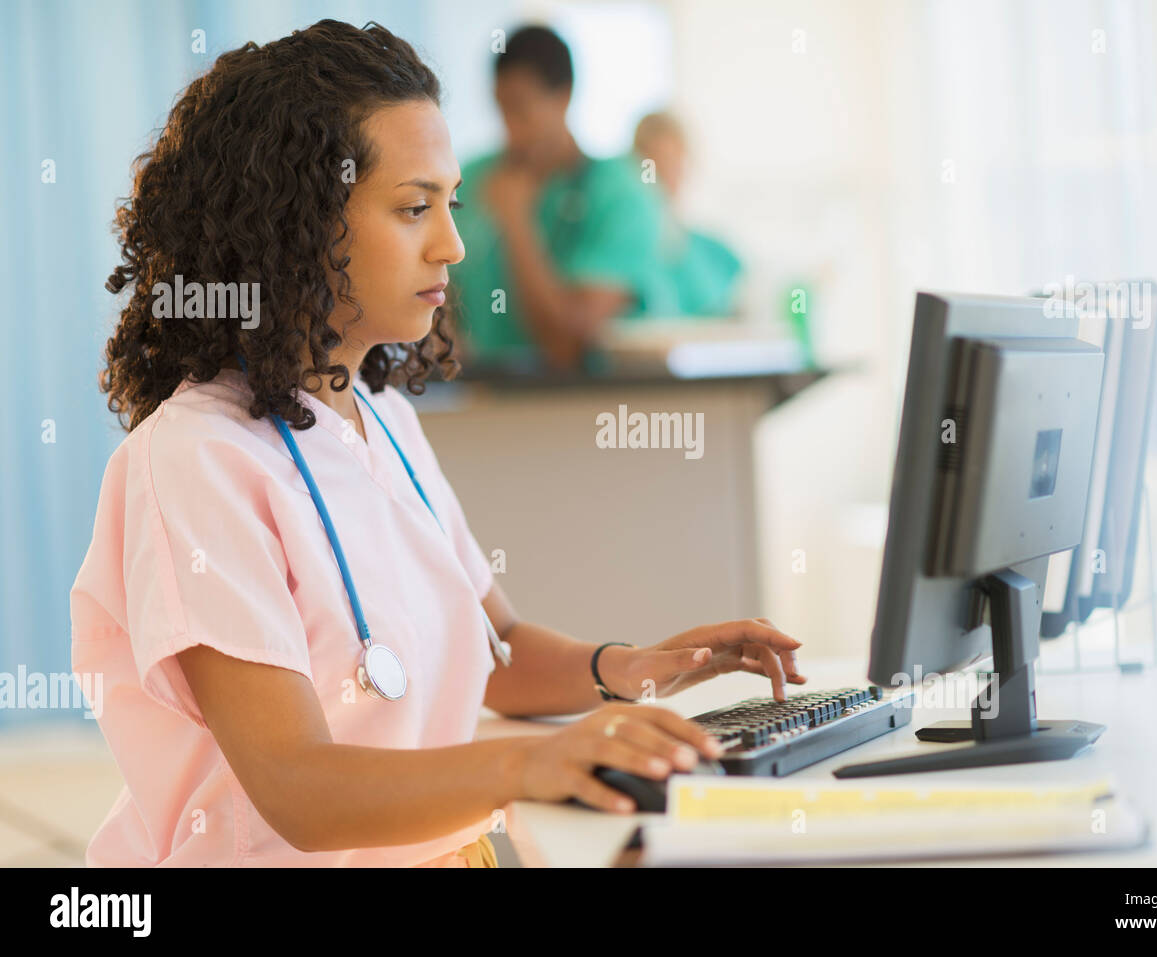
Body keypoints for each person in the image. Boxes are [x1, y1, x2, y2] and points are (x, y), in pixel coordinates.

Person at [70, 19, 804, 868]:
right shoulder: (198, 460)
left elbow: (497, 654)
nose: (452, 244)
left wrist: (645, 665)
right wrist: (532, 763)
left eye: (450, 204)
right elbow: (299, 788)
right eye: (414, 207)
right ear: (297, 222)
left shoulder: (379, 415)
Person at [451, 25, 670, 371]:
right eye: (501, 108)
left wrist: (516, 223)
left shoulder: (622, 195)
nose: (509, 128)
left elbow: (566, 345)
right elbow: (442, 295)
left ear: (564, 96)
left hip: (579, 406)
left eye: (521, 109)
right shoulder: (472, 178)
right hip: (480, 398)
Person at [634, 110, 745, 317]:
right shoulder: (624, 248)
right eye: (654, 166)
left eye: (673, 164)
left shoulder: (712, 250)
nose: (665, 176)